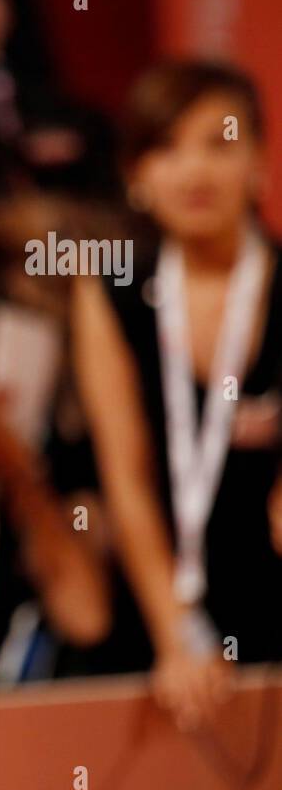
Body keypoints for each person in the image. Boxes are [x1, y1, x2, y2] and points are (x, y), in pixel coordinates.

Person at [73, 61, 282, 731]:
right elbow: (126, 480)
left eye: (219, 144)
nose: (194, 172)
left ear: (258, 160)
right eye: (166, 147)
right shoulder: (111, 292)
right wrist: (179, 634)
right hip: (162, 616)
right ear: (136, 172)